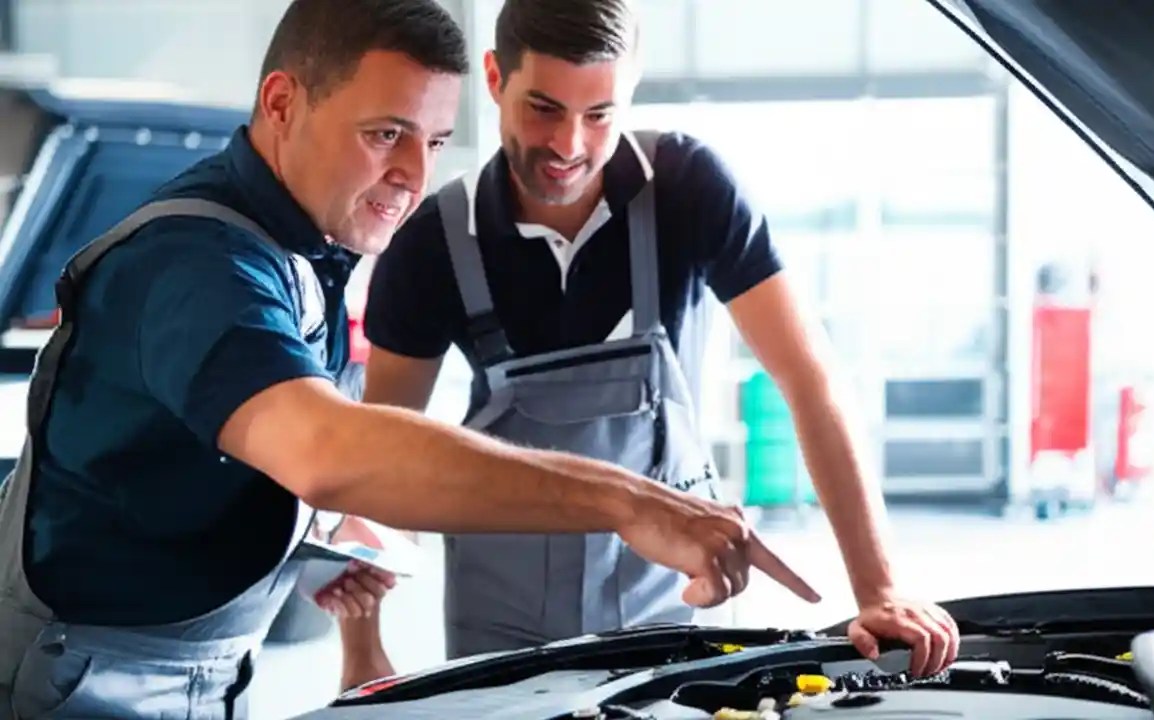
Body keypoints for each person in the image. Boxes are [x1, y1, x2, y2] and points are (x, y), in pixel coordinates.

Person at [0, 0, 819, 717]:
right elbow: (324, 450)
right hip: (81, 680)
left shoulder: (307, 252)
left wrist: (323, 570)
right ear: (283, 102)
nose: (413, 173)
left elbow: (244, 464)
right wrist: (629, 504)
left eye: (430, 139)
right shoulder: (200, 263)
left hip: (207, 666)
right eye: (384, 133)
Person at [354, 0, 963, 680]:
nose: (569, 146)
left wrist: (877, 589)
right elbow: (377, 459)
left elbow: (808, 379)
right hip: (501, 622)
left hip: (672, 602)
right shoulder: (430, 244)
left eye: (600, 114)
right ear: (495, 78)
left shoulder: (690, 191)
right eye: (544, 109)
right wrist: (362, 653)